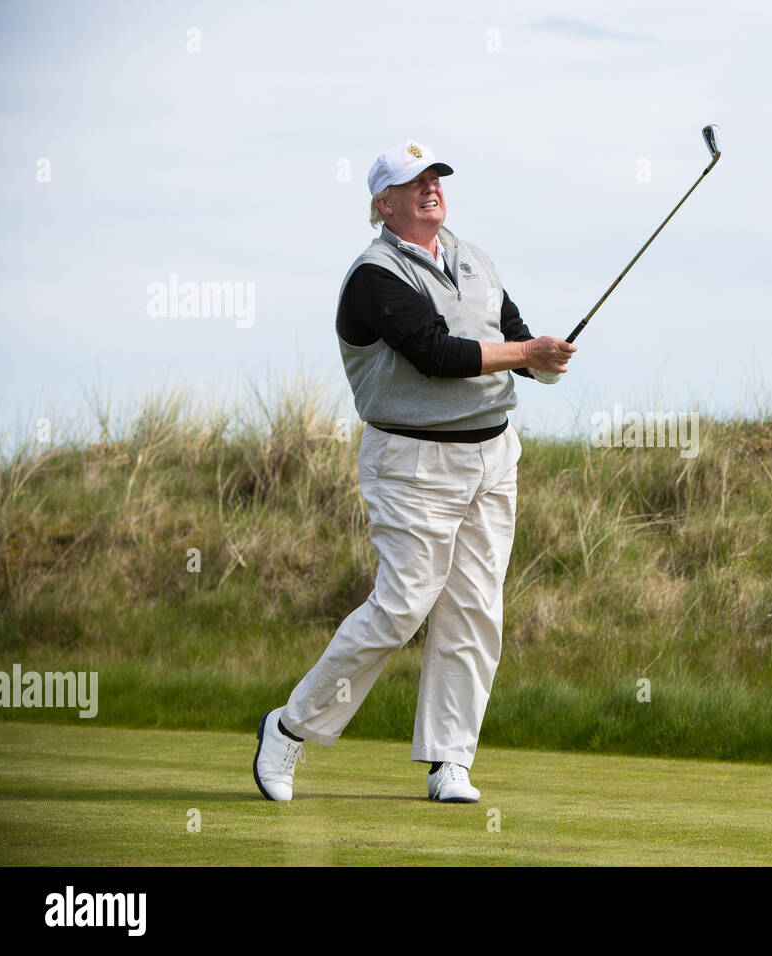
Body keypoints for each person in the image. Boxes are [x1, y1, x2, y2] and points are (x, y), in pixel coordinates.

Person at [253, 138, 575, 803]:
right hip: (412, 461)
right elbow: (434, 353)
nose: (431, 186)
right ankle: (289, 728)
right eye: (413, 181)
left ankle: (450, 761)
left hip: (493, 454)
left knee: (475, 609)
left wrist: (541, 357)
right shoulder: (375, 276)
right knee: (401, 607)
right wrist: (524, 350)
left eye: (435, 176)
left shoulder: (474, 259)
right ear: (383, 202)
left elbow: (509, 329)